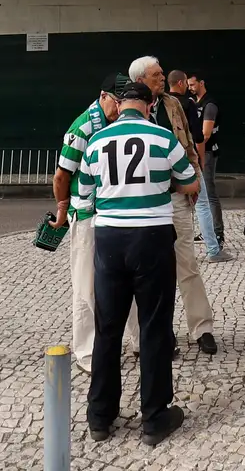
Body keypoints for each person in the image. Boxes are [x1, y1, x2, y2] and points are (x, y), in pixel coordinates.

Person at [79, 79, 198, 446]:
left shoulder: (97, 141)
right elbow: (191, 182)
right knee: (153, 326)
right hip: (152, 237)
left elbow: (86, 196)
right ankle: (155, 416)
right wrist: (166, 185)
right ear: (148, 105)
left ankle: (100, 417)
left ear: (121, 105)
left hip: (110, 239)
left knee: (108, 328)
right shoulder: (163, 138)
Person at [132, 55, 217, 356]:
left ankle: (201, 328)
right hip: (142, 202)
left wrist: (194, 178)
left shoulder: (173, 104)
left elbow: (189, 144)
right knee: (143, 272)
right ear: (140, 79)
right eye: (156, 74)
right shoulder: (128, 108)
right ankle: (148, 336)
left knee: (187, 264)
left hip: (175, 195)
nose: (162, 76)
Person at [52, 75, 124, 373]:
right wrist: (62, 208)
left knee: (122, 280)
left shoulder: (117, 124)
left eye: (123, 103)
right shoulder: (83, 126)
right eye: (116, 102)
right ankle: (87, 353)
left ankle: (132, 341)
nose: (119, 109)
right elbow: (61, 175)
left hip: (110, 213)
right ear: (104, 95)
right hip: (85, 214)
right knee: (85, 285)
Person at [187, 71, 227, 260]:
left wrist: (198, 154)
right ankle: (209, 230)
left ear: (202, 83)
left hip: (208, 153)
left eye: (193, 84)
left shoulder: (209, 104)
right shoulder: (194, 103)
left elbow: (206, 133)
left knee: (209, 194)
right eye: (188, 85)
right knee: (204, 196)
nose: (190, 88)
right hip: (201, 152)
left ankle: (217, 232)